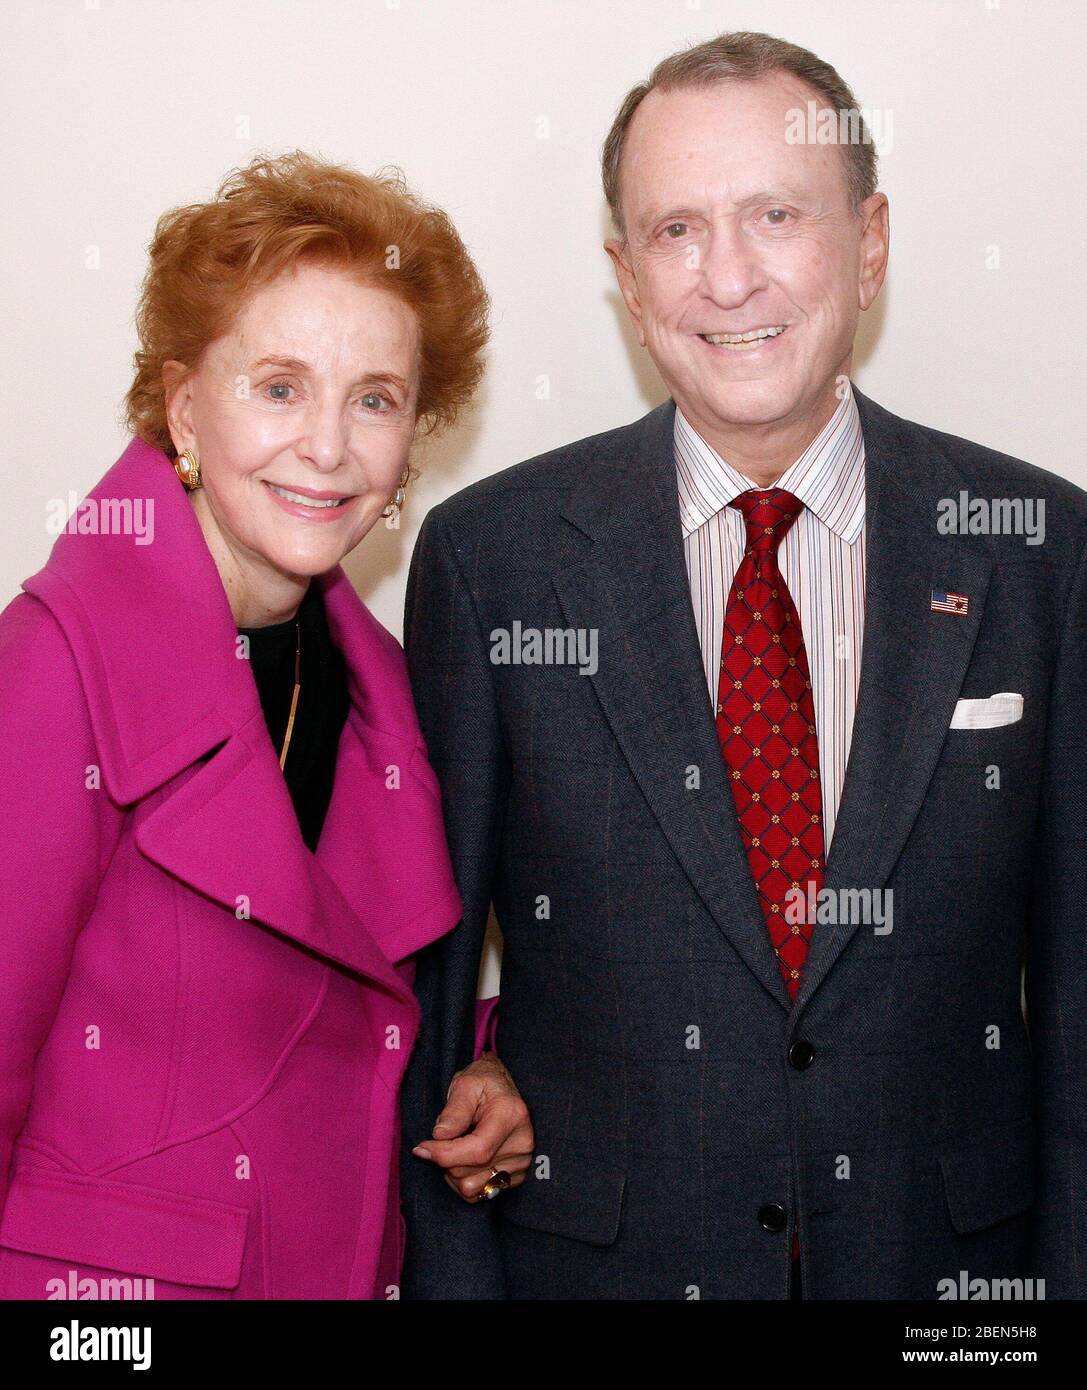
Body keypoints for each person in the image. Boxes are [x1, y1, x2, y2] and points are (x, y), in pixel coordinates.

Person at [401, 32, 1087, 1299]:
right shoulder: (489, 560)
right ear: (622, 273)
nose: (726, 276)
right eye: (674, 230)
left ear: (869, 243)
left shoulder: (1040, 552)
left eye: (775, 214)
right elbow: (425, 1019)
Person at [0, 151, 532, 1300]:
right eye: (280, 387)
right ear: (185, 407)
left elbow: (350, 1008)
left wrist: (497, 1059)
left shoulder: (389, 691)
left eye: (375, 399)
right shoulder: (59, 661)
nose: (330, 447)